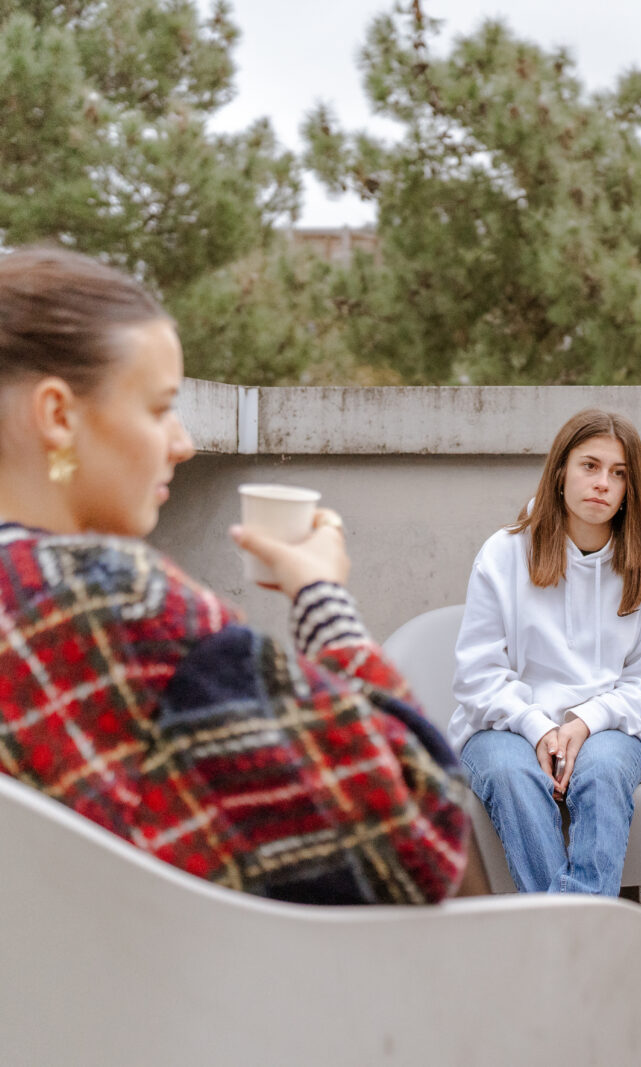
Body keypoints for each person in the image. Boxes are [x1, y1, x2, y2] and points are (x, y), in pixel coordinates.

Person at [0, 246, 476, 904]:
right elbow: (421, 841)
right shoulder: (116, 602)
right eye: (159, 408)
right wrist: (321, 598)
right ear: (58, 414)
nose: (183, 443)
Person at [449, 409, 641, 896]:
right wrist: (536, 727)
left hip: (609, 730)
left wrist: (584, 723)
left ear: (631, 488)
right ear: (560, 472)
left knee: (603, 769)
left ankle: (559, 934)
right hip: (504, 728)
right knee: (511, 772)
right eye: (590, 466)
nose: (602, 483)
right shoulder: (504, 552)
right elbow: (477, 675)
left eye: (619, 473)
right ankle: (584, 932)